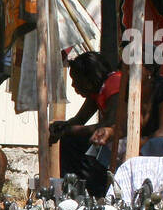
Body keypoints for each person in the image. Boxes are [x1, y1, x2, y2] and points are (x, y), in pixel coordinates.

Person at [91, 64, 163, 166]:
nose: (127, 70)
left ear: (149, 71)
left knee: (156, 145)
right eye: (125, 67)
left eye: (134, 66)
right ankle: (102, 184)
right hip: (150, 141)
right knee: (111, 145)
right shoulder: (129, 90)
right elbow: (124, 129)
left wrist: (135, 148)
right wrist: (109, 132)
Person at [49, 52, 120, 196]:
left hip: (120, 138)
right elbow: (79, 119)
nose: (73, 85)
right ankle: (73, 188)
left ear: (89, 78)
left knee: (73, 140)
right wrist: (63, 126)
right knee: (70, 138)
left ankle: (90, 192)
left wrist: (70, 130)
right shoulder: (97, 90)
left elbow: (110, 124)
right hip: (108, 139)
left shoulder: (113, 83)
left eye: (76, 80)